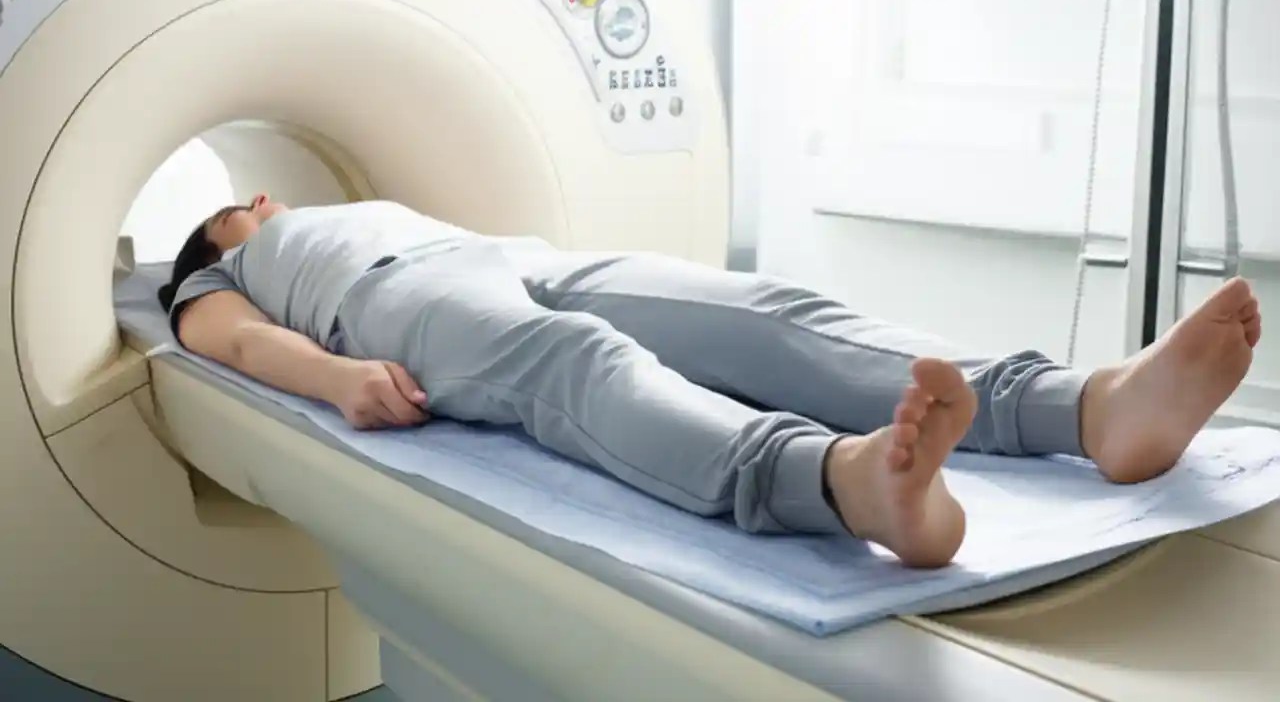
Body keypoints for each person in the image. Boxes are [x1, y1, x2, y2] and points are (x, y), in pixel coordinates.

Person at [160, 195, 1262, 569]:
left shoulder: (365, 201)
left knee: (761, 316)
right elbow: (239, 349)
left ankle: (1085, 408)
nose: (260, 199)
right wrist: (342, 376)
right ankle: (842, 485)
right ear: (222, 231)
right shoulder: (225, 272)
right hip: (397, 305)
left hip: (514, 250)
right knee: (577, 366)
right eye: (242, 205)